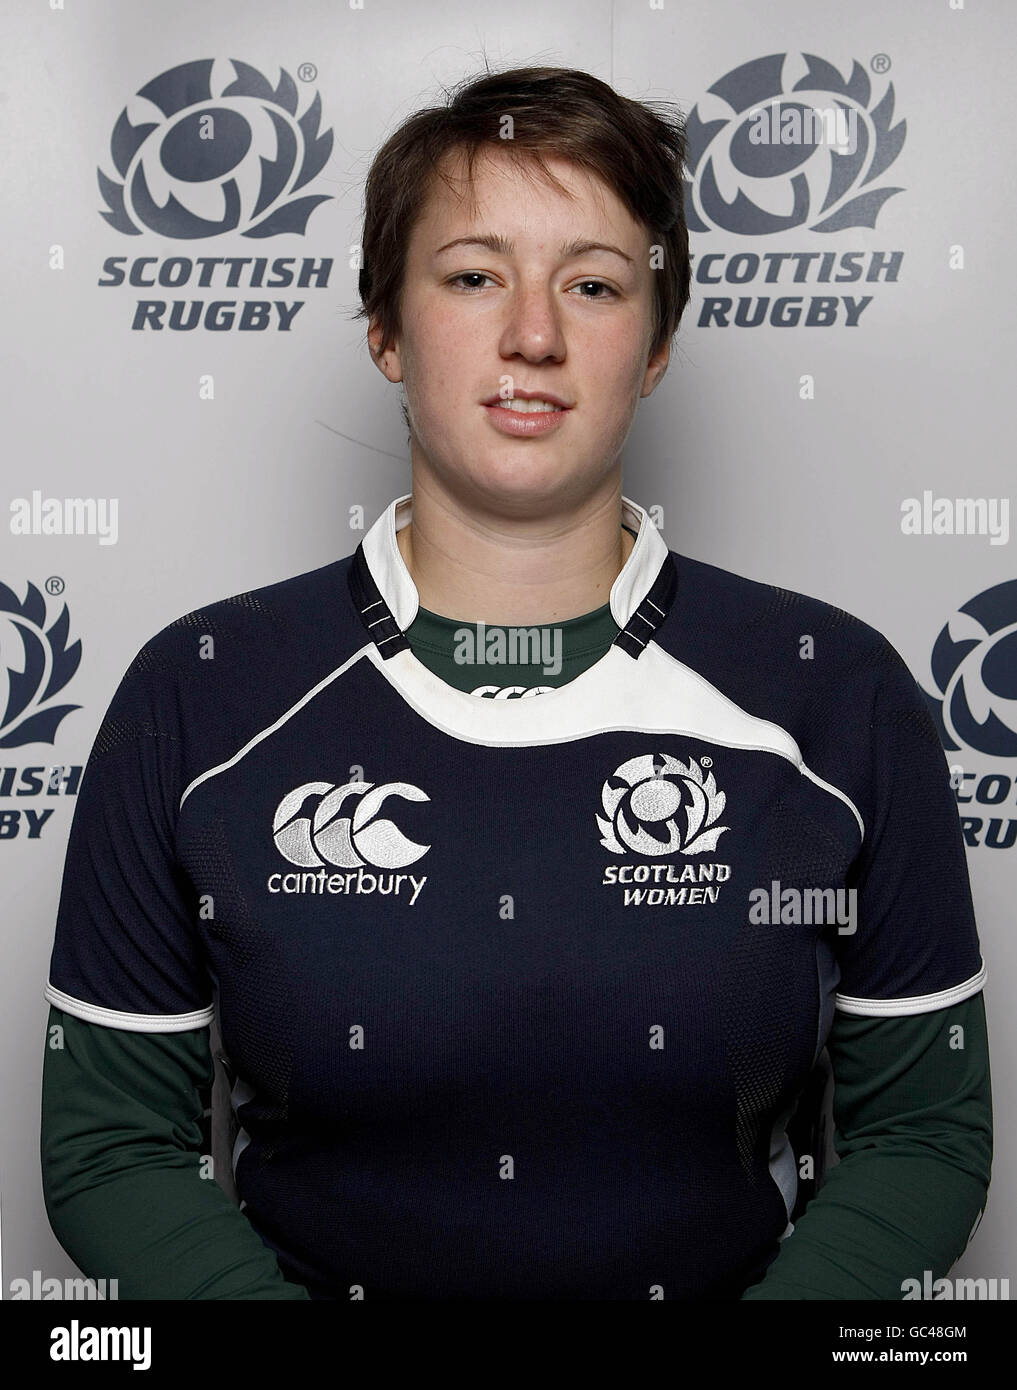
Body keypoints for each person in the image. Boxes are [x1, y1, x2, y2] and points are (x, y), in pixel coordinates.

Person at [41, 64, 991, 1300]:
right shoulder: (200, 693)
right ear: (385, 325)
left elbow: (921, 1136)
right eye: (474, 275)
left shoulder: (834, 694)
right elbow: (112, 1150)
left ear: (654, 345)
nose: (533, 334)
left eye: (593, 284)